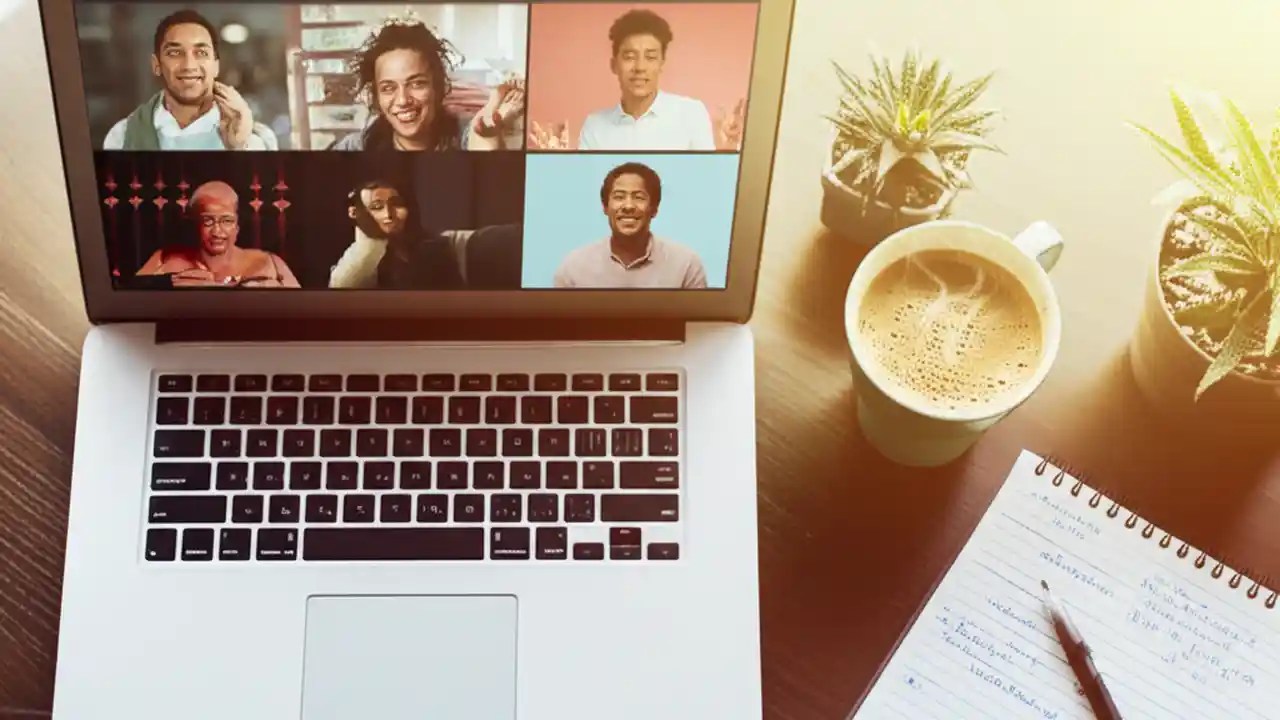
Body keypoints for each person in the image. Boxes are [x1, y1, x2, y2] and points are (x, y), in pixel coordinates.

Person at [529, 10, 744, 152]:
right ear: (614, 65)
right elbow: (588, 191)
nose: (640, 67)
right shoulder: (595, 126)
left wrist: (727, 152)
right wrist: (556, 165)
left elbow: (706, 184)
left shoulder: (691, 113)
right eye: (630, 57)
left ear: (662, 63)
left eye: (650, 57)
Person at [331, 20, 525, 152]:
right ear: (376, 96)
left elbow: (482, 145)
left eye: (417, 84)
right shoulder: (357, 146)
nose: (403, 101)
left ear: (438, 87)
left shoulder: (463, 134)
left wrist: (488, 132)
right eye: (388, 88)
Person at [103, 10, 277, 151]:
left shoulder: (257, 140)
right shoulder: (122, 137)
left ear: (216, 65)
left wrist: (238, 148)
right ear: (156, 65)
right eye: (174, 53)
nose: (188, 65)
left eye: (201, 53)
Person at [553, 162, 707, 289]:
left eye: (639, 197)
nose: (628, 206)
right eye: (619, 197)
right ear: (605, 207)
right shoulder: (573, 267)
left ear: (654, 209)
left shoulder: (686, 265)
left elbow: (700, 324)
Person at [135, 181, 300, 287]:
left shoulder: (269, 263)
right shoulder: (165, 258)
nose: (217, 231)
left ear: (237, 226)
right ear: (194, 224)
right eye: (208, 221)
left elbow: (299, 308)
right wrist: (167, 282)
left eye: (226, 221)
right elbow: (129, 294)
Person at [328, 179, 465, 289]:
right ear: (355, 213)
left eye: (396, 204)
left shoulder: (437, 248)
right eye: (376, 207)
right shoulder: (357, 259)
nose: (388, 215)